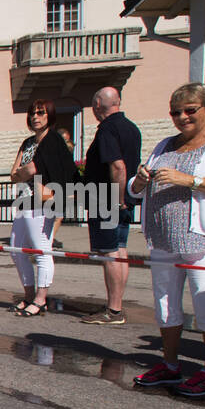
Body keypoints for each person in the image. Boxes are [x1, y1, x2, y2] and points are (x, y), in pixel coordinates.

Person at [131, 83, 205, 398]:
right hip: (163, 240)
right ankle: (170, 365)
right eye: (175, 112)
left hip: (204, 241)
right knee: (165, 306)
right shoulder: (165, 145)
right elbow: (133, 189)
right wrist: (140, 179)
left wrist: (191, 180)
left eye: (189, 110)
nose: (181, 117)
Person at [7, 100, 77, 317]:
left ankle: (40, 298)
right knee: (16, 249)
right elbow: (15, 174)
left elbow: (41, 170)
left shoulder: (53, 140)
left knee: (41, 251)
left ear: (50, 116)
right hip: (23, 200)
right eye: (32, 113)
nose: (35, 117)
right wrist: (25, 171)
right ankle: (28, 294)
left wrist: (27, 171)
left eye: (40, 113)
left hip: (43, 202)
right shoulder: (28, 142)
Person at [81, 87, 141, 325]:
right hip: (123, 198)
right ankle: (116, 304)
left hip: (107, 199)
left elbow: (118, 166)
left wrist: (116, 200)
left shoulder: (107, 129)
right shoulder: (130, 127)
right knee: (120, 249)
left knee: (109, 253)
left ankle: (113, 310)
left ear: (97, 104)